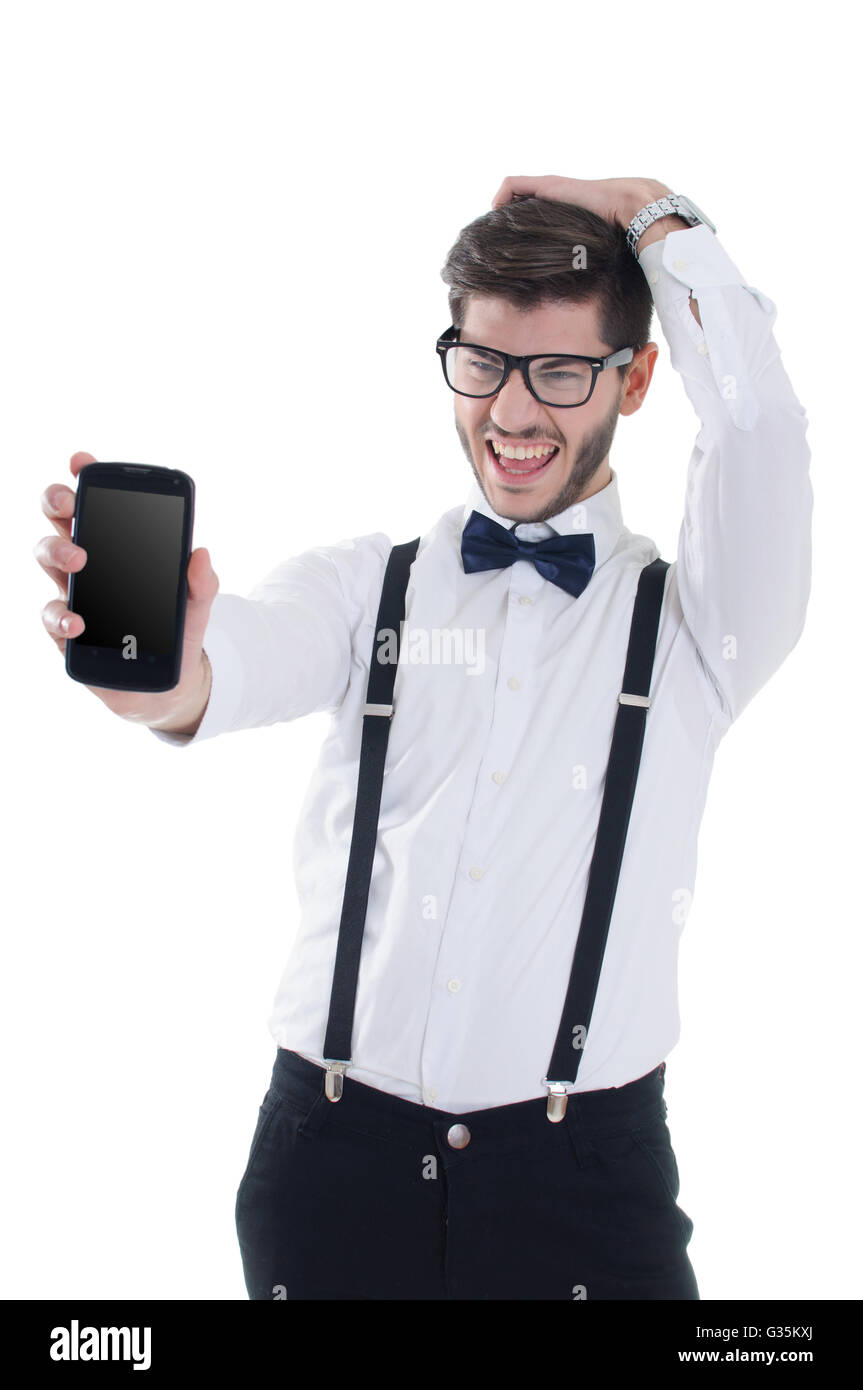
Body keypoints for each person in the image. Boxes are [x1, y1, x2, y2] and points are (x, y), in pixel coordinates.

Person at [36, 175, 813, 1301]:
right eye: (483, 361)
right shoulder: (368, 587)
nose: (508, 411)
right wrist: (160, 669)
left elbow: (758, 422)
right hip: (330, 1164)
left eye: (555, 371)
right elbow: (216, 677)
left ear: (635, 377)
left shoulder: (701, 624)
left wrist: (650, 213)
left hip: (582, 1185)